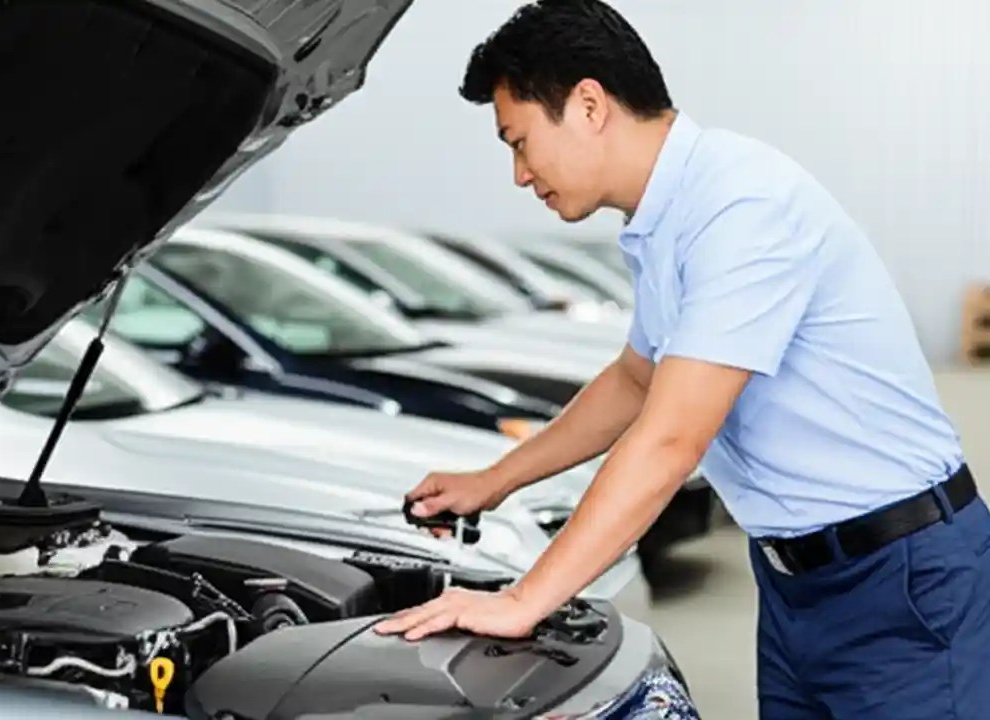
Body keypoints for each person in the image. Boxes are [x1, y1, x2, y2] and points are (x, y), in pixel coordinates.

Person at [371, 1, 990, 717]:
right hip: (796, 587)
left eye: (519, 140)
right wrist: (494, 481)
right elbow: (636, 380)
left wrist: (523, 600)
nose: (518, 173)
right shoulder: (664, 223)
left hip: (903, 585)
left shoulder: (739, 206)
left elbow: (670, 439)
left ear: (590, 103)